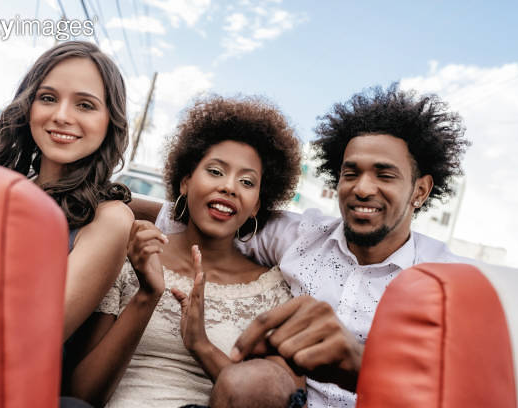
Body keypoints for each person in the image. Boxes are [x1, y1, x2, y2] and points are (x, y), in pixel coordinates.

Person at [148, 84, 470, 407]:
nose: (362, 188)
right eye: (351, 173)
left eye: (385, 175)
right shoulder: (298, 237)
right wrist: (113, 206)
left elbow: (464, 390)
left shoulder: (448, 283)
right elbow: (204, 214)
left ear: (421, 190)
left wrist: (364, 364)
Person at [65, 95, 306, 407]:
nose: (229, 187)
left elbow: (279, 401)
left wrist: (200, 344)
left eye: (247, 181)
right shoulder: (133, 259)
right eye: (216, 172)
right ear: (185, 182)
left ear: (257, 204)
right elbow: (81, 395)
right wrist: (147, 295)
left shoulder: (273, 292)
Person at [0, 40, 133, 343]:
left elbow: (35, 334)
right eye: (48, 98)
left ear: (108, 122)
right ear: (27, 106)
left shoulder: (110, 219)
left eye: (85, 105)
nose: (62, 115)